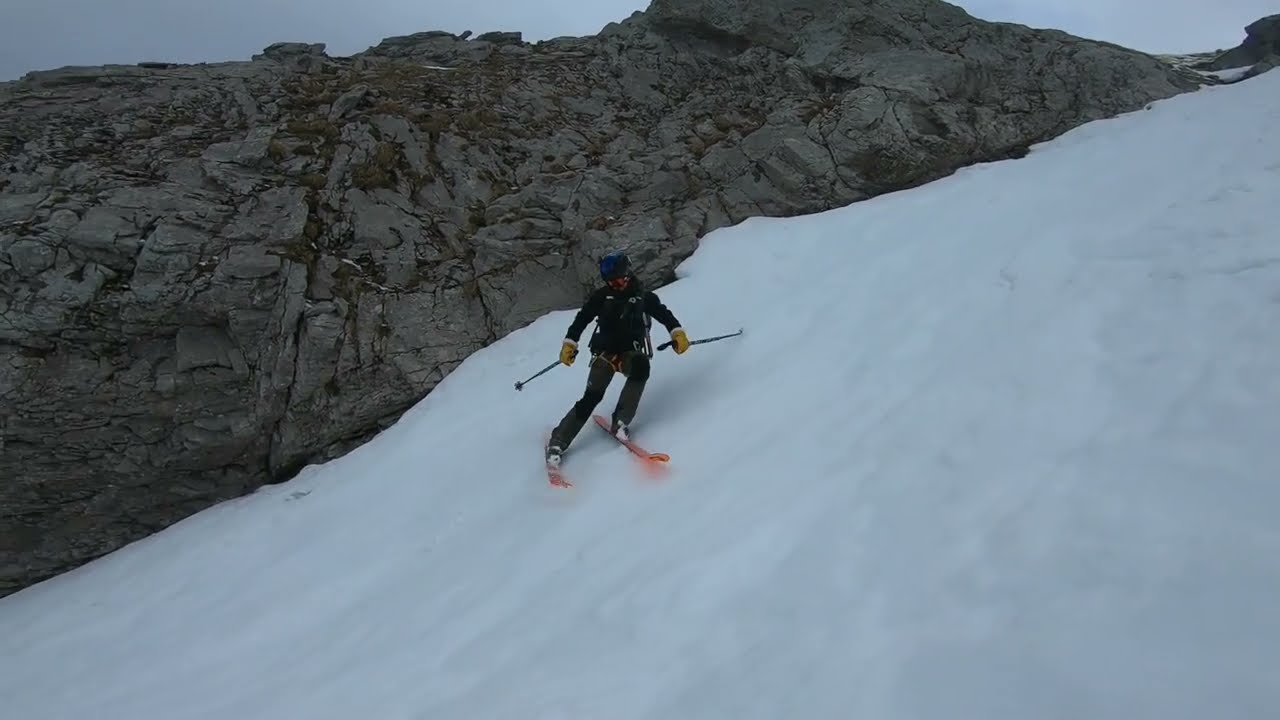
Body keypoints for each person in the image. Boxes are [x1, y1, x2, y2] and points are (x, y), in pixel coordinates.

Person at [546, 250, 689, 467]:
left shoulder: (644, 297)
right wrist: (570, 342)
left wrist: (677, 332)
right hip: (604, 354)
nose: (616, 284)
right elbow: (582, 319)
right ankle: (558, 441)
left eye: (619, 279)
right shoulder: (602, 297)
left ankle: (621, 421)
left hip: (629, 354)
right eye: (611, 281)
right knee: (592, 397)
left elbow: (663, 314)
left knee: (641, 367)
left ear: (628, 274)